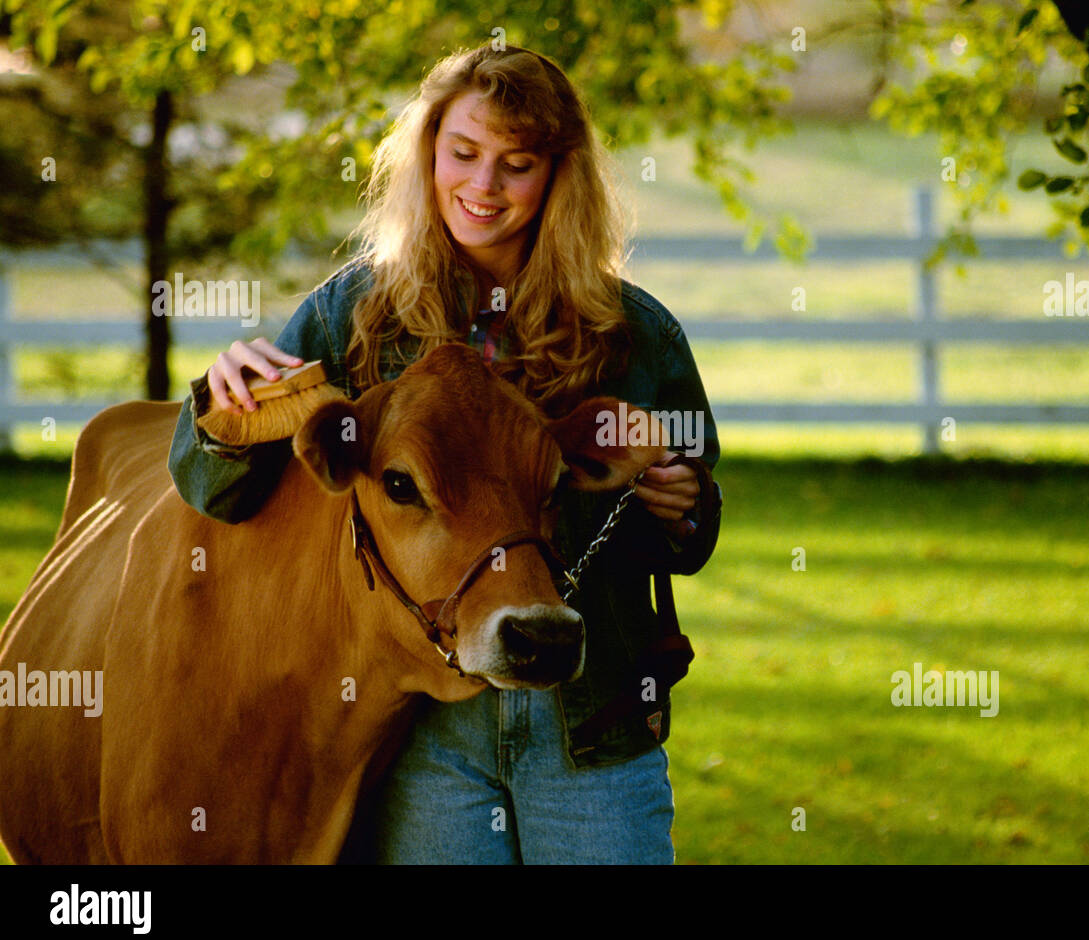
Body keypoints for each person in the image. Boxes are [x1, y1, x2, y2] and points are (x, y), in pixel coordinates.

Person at [166, 44, 722, 864]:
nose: (483, 187)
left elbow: (696, 535)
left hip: (592, 724)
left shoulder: (634, 334)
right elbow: (218, 492)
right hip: (419, 734)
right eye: (463, 154)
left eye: (517, 164)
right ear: (429, 152)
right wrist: (222, 405)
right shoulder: (352, 317)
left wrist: (684, 506)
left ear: (558, 176)